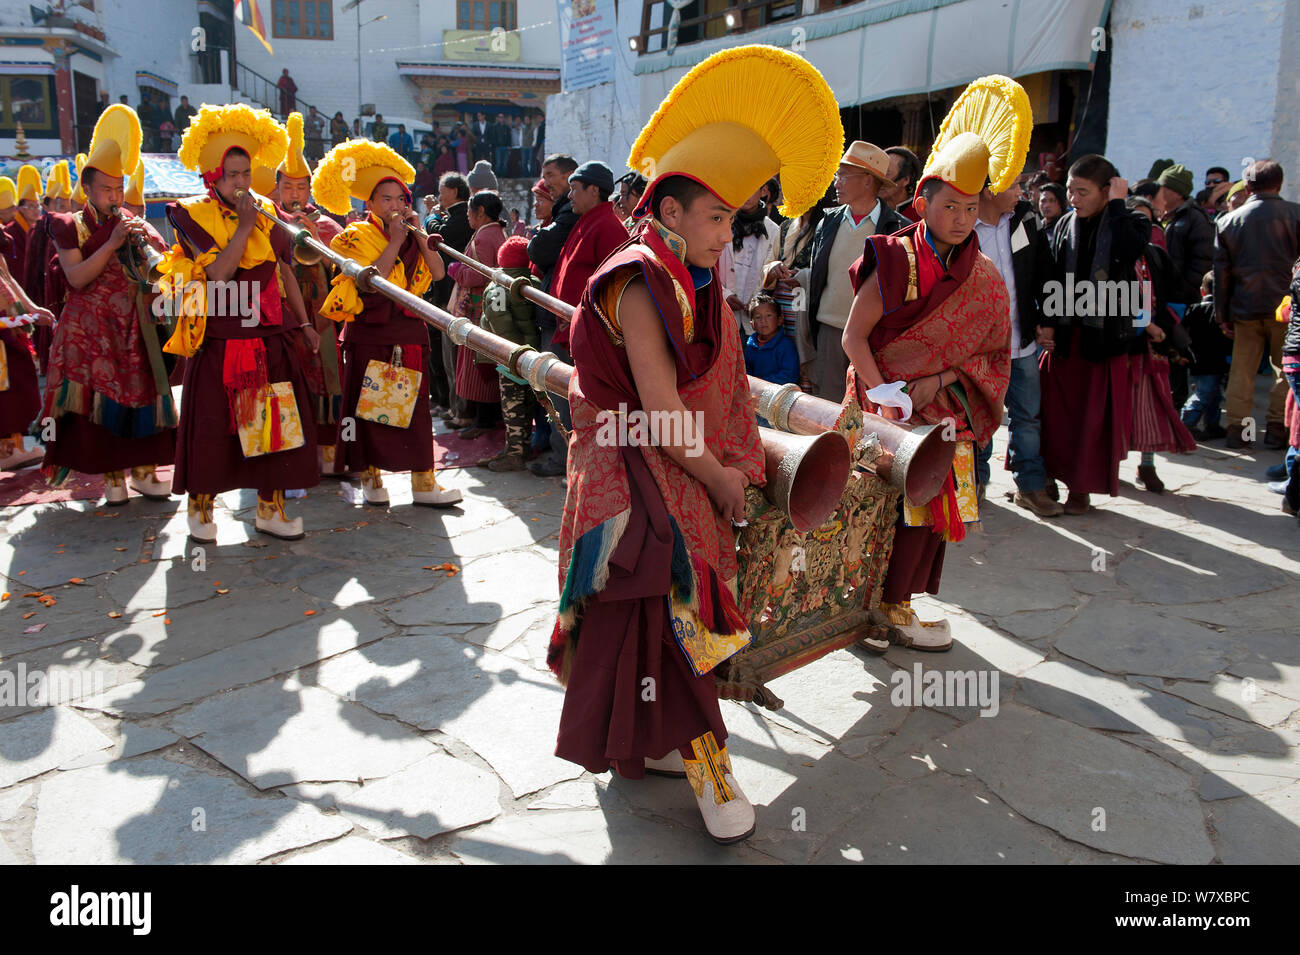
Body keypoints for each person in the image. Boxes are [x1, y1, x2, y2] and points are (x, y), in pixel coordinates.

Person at [548, 44, 840, 845]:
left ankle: (669, 737)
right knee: (673, 604)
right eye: (716, 218)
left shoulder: (695, 283)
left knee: (673, 616)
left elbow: (716, 388)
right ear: (670, 214)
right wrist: (717, 476)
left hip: (667, 461)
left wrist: (725, 466)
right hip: (627, 466)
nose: (726, 235)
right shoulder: (638, 278)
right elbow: (656, 404)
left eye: (732, 220)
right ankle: (710, 762)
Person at [842, 74, 1020, 651]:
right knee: (870, 506)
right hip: (879, 405)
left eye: (971, 208)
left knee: (923, 515)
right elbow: (853, 338)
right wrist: (887, 393)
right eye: (950, 207)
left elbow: (992, 354)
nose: (962, 219)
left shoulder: (986, 280)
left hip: (946, 414)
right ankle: (863, 605)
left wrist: (936, 380)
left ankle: (897, 603)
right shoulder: (892, 257)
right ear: (923, 203)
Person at [162, 103, 321, 542]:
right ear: (212, 176)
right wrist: (245, 225)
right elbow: (217, 274)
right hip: (221, 334)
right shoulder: (189, 213)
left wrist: (304, 324)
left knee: (273, 422)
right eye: (232, 174)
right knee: (213, 426)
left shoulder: (268, 212)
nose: (241, 183)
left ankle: (270, 508)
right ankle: (201, 506)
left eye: (246, 173)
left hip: (270, 331)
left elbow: (286, 268)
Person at [313, 139, 462, 508]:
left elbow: (439, 272)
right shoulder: (353, 236)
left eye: (401, 198)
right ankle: (371, 477)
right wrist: (395, 240)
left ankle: (423, 483)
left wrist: (421, 235)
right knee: (368, 410)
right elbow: (373, 280)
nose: (396, 206)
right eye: (386, 199)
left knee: (414, 411)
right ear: (370, 204)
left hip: (410, 331)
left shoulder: (414, 231)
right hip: (371, 333)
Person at [41, 104, 177, 503]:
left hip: (134, 327)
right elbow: (77, 277)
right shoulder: (69, 225)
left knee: (143, 393)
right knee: (102, 402)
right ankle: (113, 478)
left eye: (120, 189)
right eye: (106, 189)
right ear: (87, 189)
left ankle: (145, 470)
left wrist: (145, 240)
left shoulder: (133, 223)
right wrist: (112, 242)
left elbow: (161, 271)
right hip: (89, 331)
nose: (115, 197)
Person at [1039, 154, 1155, 513]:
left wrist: (1119, 203)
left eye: (1083, 191)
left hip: (1102, 339)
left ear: (1108, 191)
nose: (1073, 198)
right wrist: (1045, 320)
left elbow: (1126, 249)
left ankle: (1081, 489)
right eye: (1071, 190)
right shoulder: (1063, 224)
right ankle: (1045, 479)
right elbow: (1051, 274)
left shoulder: (1131, 221)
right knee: (1054, 415)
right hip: (1065, 336)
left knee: (1091, 421)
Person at [973, 173, 1061, 517]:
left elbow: (1045, 270)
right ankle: (976, 486)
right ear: (987, 189)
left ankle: (1031, 487)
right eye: (1012, 186)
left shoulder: (1024, 216)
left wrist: (1048, 319)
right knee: (980, 420)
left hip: (1022, 341)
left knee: (1028, 419)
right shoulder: (963, 220)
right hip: (979, 346)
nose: (1020, 193)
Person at [804, 141, 908, 402]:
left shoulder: (897, 228)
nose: (836, 183)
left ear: (867, 181)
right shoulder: (828, 221)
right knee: (826, 410)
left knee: (868, 411)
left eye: (843, 175)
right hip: (829, 331)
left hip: (874, 336)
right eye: (836, 175)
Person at [274, 113, 345, 475]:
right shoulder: (266, 221)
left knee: (327, 378)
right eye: (288, 187)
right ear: (277, 189)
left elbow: (345, 272)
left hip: (323, 317)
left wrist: (316, 238)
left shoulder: (328, 224)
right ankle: (287, 452)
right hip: (282, 315)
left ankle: (330, 454)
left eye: (301, 187)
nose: (295, 195)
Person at [1213, 159, 1300, 450]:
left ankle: (1238, 430)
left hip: (1244, 307)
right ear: (1279, 183)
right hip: (1287, 308)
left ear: (1247, 186)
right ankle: (1277, 429)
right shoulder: (1295, 215)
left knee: (1242, 371)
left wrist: (1222, 313)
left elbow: (1222, 275)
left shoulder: (1227, 221)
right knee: (1283, 370)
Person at [525, 153, 580, 476]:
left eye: (551, 175)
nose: (546, 181)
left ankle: (564, 459)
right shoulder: (567, 214)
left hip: (564, 319)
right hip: (554, 315)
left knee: (561, 389)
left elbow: (541, 251)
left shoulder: (570, 216)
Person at [447, 191, 507, 439]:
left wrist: (454, 268)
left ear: (480, 212)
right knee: (486, 364)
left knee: (478, 366)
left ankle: (483, 420)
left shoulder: (483, 237)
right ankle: (484, 417)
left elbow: (477, 276)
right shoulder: (496, 232)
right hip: (493, 307)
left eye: (471, 211)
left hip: (480, 310)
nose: (468, 216)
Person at [479, 234, 539, 471]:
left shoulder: (498, 287)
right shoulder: (532, 281)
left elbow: (499, 322)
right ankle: (521, 447)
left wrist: (510, 356)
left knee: (512, 406)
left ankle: (515, 452)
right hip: (532, 353)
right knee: (526, 404)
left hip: (510, 358)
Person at [425, 171, 472, 426]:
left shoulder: (460, 216)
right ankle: (445, 401)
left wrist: (431, 214)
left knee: (451, 357)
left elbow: (438, 235)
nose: (439, 195)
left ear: (454, 191)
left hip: (453, 294)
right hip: (445, 292)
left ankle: (457, 409)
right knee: (442, 356)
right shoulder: (455, 215)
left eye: (442, 190)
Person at [0, 252, 55, 470]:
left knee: (20, 383)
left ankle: (13, 446)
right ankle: (7, 449)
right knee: (7, 389)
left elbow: (7, 277)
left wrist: (32, 309)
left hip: (9, 325)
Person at [719, 184, 780, 335]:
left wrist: (756, 301)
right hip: (720, 311)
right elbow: (708, 265)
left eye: (751, 187)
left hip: (752, 319)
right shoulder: (721, 222)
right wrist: (724, 294)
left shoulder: (773, 230)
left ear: (764, 191)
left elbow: (769, 271)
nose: (745, 193)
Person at [1180, 271, 1230, 439]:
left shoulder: (1193, 309)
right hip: (1216, 361)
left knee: (1212, 394)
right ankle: (1186, 423)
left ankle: (1212, 425)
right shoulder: (1222, 313)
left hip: (1197, 360)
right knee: (1205, 393)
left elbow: (1182, 332)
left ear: (1202, 291)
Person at [743, 292, 799, 392]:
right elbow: (746, 370)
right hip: (755, 394)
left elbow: (789, 375)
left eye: (768, 315)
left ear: (779, 320)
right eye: (758, 317)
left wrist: (761, 384)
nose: (763, 321)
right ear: (752, 324)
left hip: (778, 396)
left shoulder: (786, 346)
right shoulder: (751, 345)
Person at [4, 165, 42, 295]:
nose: (36, 210)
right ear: (20, 209)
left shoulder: (41, 229)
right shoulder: (11, 232)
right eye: (31, 206)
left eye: (37, 206)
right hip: (18, 288)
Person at [882, 146, 923, 222]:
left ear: (906, 180)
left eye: (886, 173)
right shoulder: (869, 210)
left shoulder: (920, 216)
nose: (879, 179)